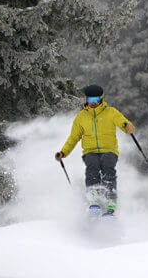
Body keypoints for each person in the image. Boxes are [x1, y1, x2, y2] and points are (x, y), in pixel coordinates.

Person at [55, 84, 135, 216]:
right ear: (86, 100)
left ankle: (110, 201)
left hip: (109, 150)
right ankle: (94, 202)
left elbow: (122, 122)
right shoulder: (81, 117)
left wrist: (127, 127)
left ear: (101, 99)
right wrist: (63, 152)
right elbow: (73, 138)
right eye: (90, 100)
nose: (93, 104)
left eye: (96, 100)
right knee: (92, 167)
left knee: (108, 167)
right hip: (90, 151)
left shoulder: (111, 112)